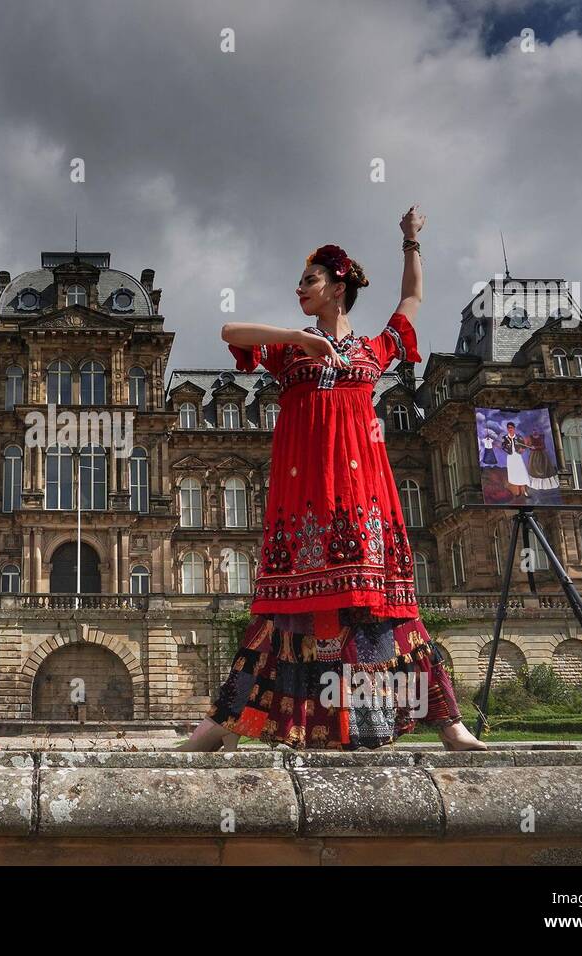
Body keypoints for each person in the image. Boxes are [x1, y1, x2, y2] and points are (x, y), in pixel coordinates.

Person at [180, 206, 486, 752]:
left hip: (364, 493)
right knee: (286, 616)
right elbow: (230, 330)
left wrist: (410, 242)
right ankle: (219, 727)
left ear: (338, 286)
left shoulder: (372, 350)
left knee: (385, 609)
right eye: (300, 282)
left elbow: (411, 301)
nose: (301, 288)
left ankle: (449, 722)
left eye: (311, 280)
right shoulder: (290, 350)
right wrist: (300, 341)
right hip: (305, 500)